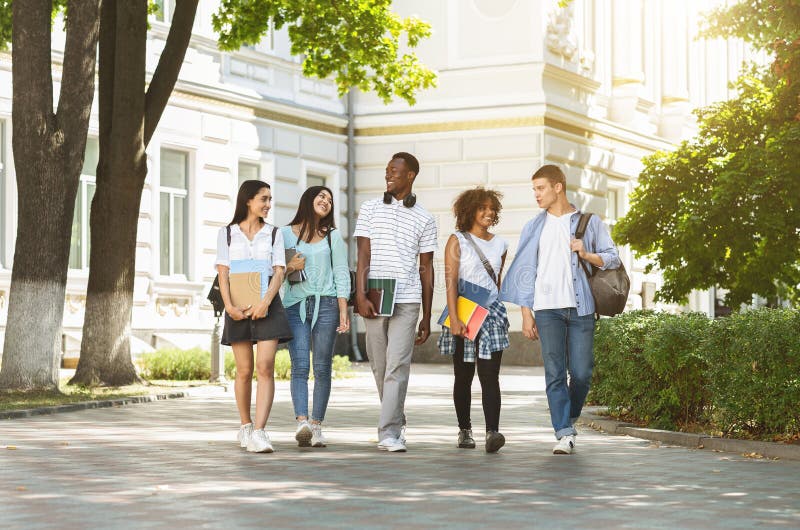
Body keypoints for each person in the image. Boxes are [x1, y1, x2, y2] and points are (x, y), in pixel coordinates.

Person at [500, 164, 621, 454]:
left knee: (582, 373)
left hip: (581, 308)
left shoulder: (589, 222)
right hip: (546, 310)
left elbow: (613, 258)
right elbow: (525, 271)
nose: (536, 194)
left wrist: (586, 253)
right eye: (534, 189)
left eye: (541, 188)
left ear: (558, 187)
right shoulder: (534, 226)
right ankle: (564, 432)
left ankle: (568, 417)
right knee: (554, 373)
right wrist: (526, 313)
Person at [354, 152, 438, 453]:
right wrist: (360, 294)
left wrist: (427, 315)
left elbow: (426, 268)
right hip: (376, 296)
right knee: (380, 366)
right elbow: (363, 254)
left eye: (395, 170)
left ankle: (388, 432)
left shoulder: (425, 218)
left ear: (410, 175)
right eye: (387, 170)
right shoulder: (369, 209)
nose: (388, 175)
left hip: (408, 299)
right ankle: (397, 421)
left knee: (397, 365)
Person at [215, 180, 293, 453]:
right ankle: (245, 425)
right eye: (264, 199)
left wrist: (265, 303)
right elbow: (223, 273)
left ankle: (260, 432)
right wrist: (229, 306)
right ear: (248, 200)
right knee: (244, 370)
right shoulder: (227, 234)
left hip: (267, 305)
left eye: (270, 199)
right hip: (237, 307)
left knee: (265, 366)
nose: (268, 204)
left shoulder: (274, 234)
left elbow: (279, 271)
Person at [438, 187, 510, 453]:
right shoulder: (457, 240)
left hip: (491, 314)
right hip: (465, 314)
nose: (489, 213)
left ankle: (493, 432)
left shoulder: (501, 244)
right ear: (469, 211)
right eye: (482, 208)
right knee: (464, 374)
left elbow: (496, 281)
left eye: (492, 209)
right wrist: (455, 318)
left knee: (490, 375)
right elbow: (450, 282)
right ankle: (465, 430)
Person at [281, 186, 351, 448]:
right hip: (294, 304)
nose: (326, 201)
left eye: (330, 199)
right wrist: (290, 266)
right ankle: (302, 423)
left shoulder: (333, 237)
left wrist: (343, 311)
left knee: (322, 367)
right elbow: (276, 271)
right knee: (300, 365)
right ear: (308, 199)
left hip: (327, 304)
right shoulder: (284, 234)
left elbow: (341, 273)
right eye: (321, 196)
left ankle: (317, 425)